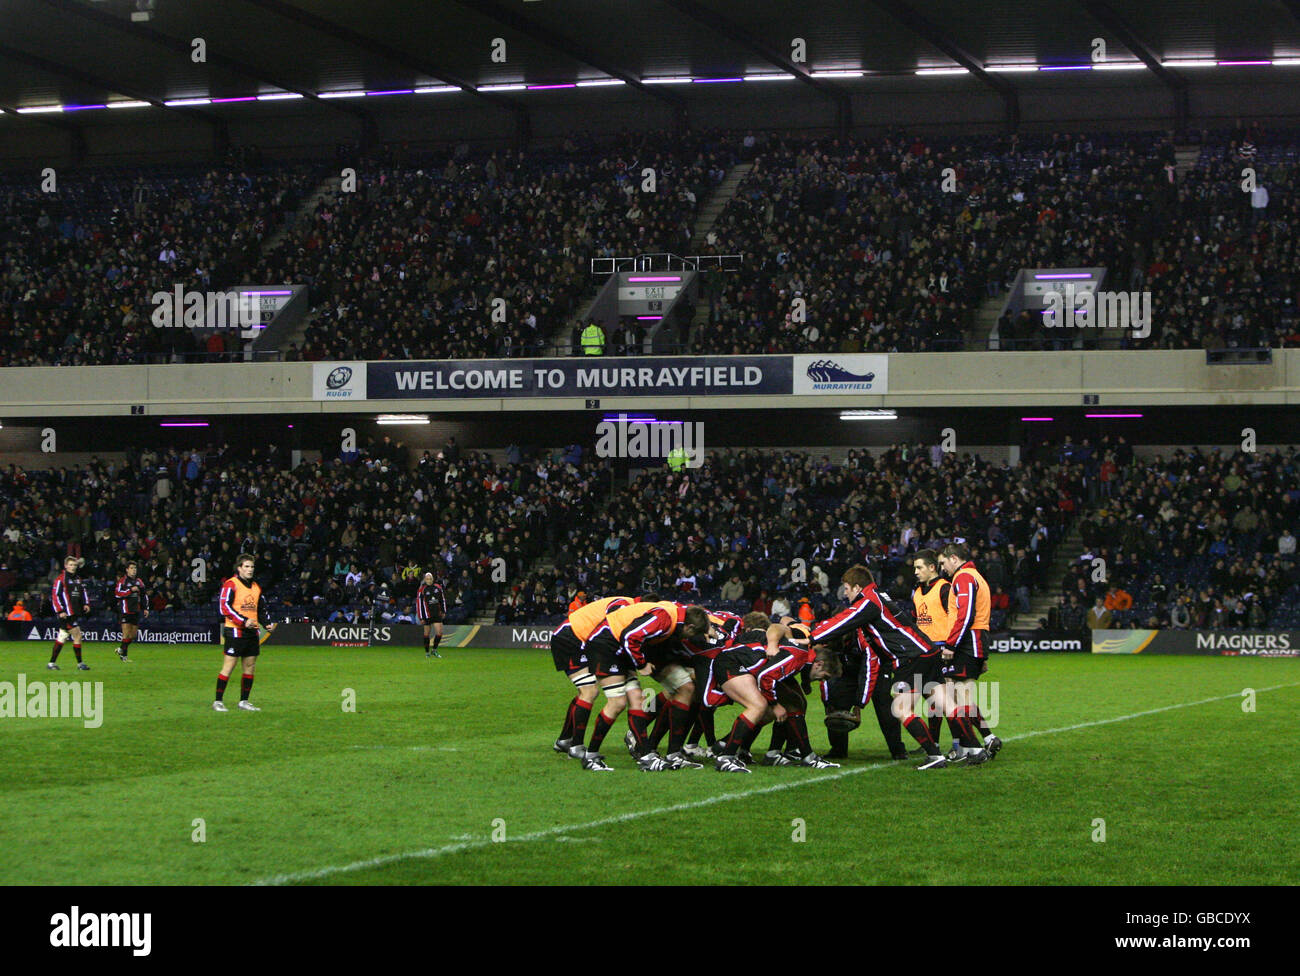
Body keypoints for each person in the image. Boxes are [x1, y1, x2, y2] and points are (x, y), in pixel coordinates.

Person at [811, 564, 952, 769]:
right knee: (945, 703)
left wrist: (859, 704)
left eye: (847, 588)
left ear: (857, 587)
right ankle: (974, 745)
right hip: (919, 653)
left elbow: (870, 664)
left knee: (897, 708)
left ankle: (917, 752)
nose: (845, 593)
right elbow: (828, 675)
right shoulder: (875, 602)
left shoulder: (866, 615)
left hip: (901, 661)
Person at [551, 595, 636, 761]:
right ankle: (576, 746)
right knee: (589, 691)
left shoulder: (628, 603)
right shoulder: (625, 606)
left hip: (574, 636)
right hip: (571, 638)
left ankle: (564, 740)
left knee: (586, 691)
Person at [937, 543, 1000, 762]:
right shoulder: (976, 576)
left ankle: (974, 747)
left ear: (954, 558)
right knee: (958, 695)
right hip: (975, 640)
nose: (942, 569)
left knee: (957, 697)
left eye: (943, 563)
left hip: (967, 641)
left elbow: (966, 614)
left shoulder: (963, 577)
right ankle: (980, 741)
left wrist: (951, 644)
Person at [214, 554, 266, 712]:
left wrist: (268, 623)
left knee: (250, 666)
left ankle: (244, 701)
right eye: (247, 566)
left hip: (252, 632)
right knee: (229, 665)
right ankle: (218, 701)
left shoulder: (256, 587)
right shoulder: (231, 584)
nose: (250, 570)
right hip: (235, 631)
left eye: (252, 567)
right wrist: (243, 621)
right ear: (239, 568)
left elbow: (261, 608)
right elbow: (225, 607)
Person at [49, 556, 90, 671]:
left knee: (63, 636)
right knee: (77, 635)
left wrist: (86, 603)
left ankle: (51, 663)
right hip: (66, 614)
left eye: (75, 565)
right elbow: (55, 596)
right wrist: (60, 611)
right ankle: (80, 664)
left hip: (75, 611)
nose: (73, 567)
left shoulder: (78, 579)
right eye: (71, 565)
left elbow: (83, 592)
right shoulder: (60, 579)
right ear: (66, 566)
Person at [114, 560, 147, 663]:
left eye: (135, 568)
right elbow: (117, 594)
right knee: (126, 634)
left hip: (135, 610)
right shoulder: (122, 581)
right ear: (127, 570)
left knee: (133, 635)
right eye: (132, 568)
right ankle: (124, 657)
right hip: (125, 610)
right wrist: (130, 590)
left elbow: (143, 595)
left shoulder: (139, 582)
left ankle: (120, 649)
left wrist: (145, 608)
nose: (134, 570)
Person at [416, 572, 446, 658]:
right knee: (426, 634)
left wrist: (443, 611)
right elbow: (419, 604)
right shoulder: (422, 589)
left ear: (433, 579)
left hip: (437, 613)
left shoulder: (438, 587)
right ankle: (427, 652)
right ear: (425, 580)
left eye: (430, 579)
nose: (429, 580)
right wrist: (421, 617)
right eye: (427, 579)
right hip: (426, 615)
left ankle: (434, 650)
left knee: (439, 633)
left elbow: (442, 600)